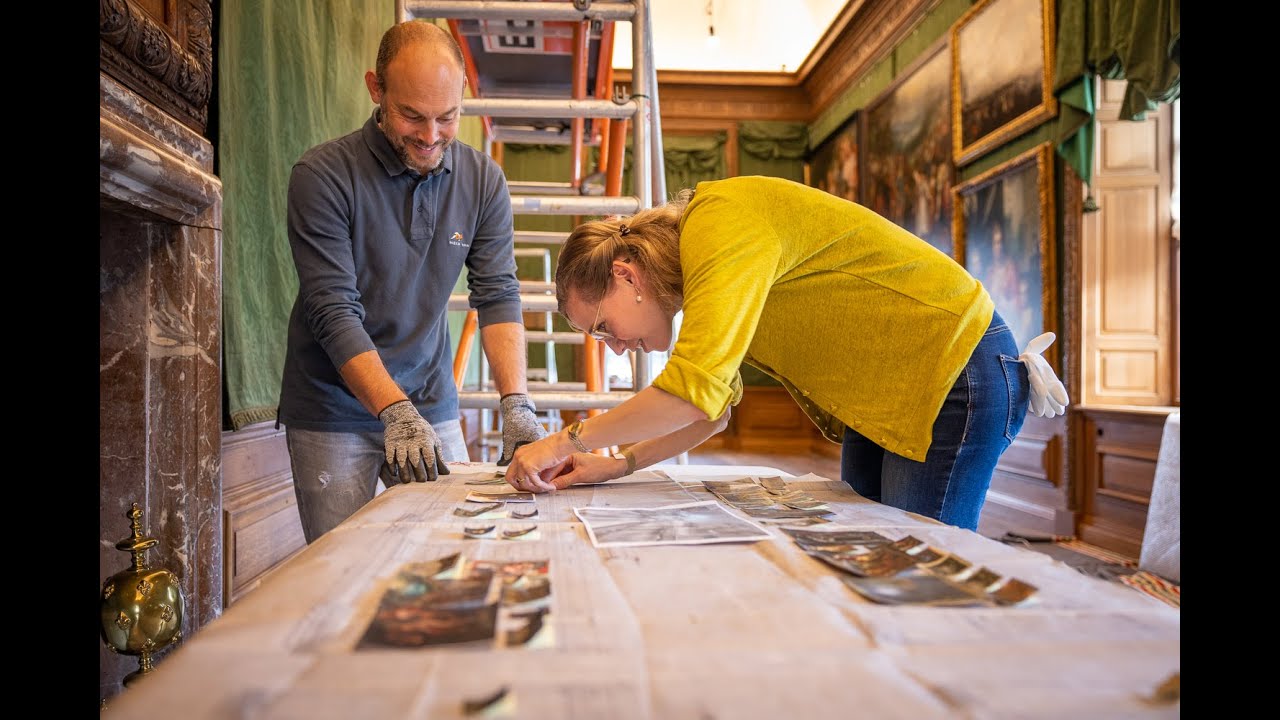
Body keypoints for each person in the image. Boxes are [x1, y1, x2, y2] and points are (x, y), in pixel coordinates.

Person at [504, 175, 1067, 530]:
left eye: (604, 327)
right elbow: (711, 409)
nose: (616, 347)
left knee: (916, 572)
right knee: (872, 553)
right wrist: (619, 463)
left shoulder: (720, 225)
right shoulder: (704, 275)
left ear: (626, 276)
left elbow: (687, 391)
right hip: (889, 394)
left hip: (954, 370)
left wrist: (562, 440)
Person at [278, 20, 546, 544]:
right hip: (333, 407)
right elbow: (332, 310)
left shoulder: (483, 180)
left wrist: (517, 403)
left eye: (447, 118)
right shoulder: (322, 175)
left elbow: (498, 296)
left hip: (429, 395)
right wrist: (393, 411)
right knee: (342, 566)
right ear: (375, 90)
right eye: (412, 116)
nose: (430, 136)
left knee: (456, 549)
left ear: (463, 96)